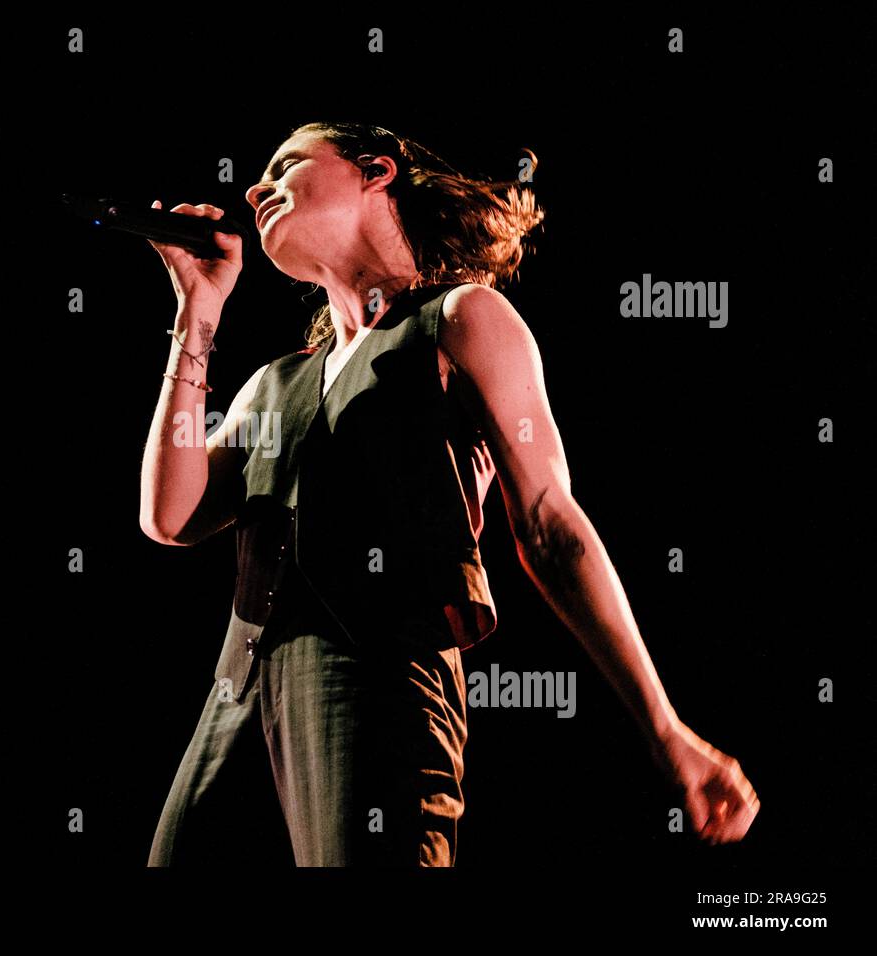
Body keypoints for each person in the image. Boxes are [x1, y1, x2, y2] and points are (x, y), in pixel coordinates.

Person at [139, 121, 759, 867]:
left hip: (377, 681)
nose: (254, 187)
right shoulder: (275, 382)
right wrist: (197, 311)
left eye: (288, 163)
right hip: (236, 700)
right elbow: (170, 517)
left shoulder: (461, 318)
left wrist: (664, 728)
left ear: (375, 171)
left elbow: (551, 525)